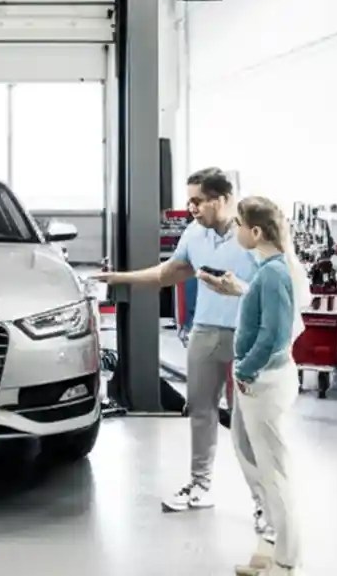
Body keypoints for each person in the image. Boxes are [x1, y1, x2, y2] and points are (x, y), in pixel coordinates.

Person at [92, 167, 261, 515]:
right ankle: (199, 486)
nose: (191, 208)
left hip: (247, 335)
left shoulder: (251, 234)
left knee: (246, 423)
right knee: (201, 411)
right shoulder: (194, 234)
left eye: (198, 201)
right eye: (189, 201)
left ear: (223, 199)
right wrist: (121, 278)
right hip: (205, 333)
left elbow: (273, 285)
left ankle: (262, 501)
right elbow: (170, 272)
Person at [227, 196, 308, 576]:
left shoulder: (273, 273)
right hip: (259, 379)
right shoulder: (269, 270)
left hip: (264, 381)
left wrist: (245, 369)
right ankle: (270, 548)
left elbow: (274, 334)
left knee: (274, 472)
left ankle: (286, 562)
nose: (234, 230)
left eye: (238, 223)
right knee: (248, 453)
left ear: (255, 231)